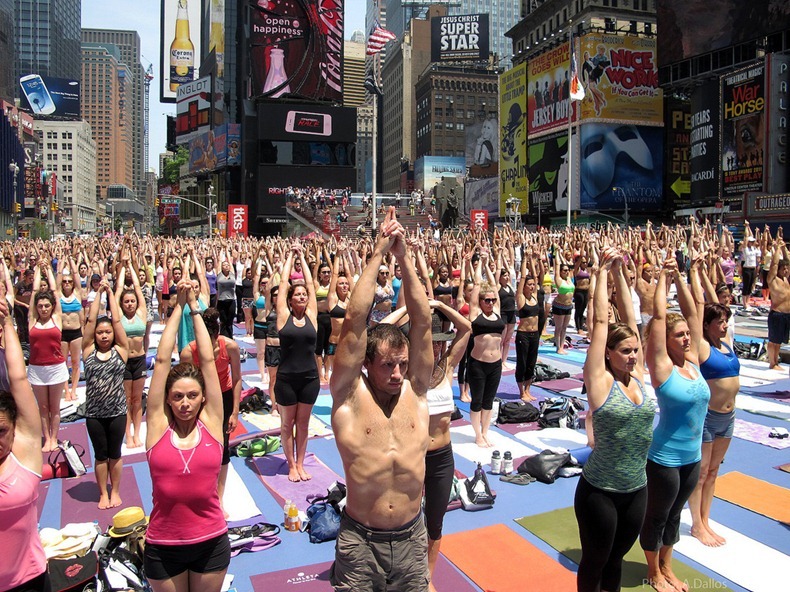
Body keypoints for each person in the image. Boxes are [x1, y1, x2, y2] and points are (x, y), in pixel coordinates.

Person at [329, 208, 433, 591]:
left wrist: (404, 255)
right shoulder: (348, 396)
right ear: (366, 365)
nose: (396, 374)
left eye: (402, 365)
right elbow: (354, 322)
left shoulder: (416, 390)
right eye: (387, 365)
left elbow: (422, 323)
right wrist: (377, 255)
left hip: (411, 537)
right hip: (361, 541)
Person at [575, 249, 655, 592]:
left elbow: (630, 314)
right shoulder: (601, 380)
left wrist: (623, 271)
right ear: (608, 352)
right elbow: (602, 324)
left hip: (636, 488)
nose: (633, 355)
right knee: (596, 559)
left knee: (617, 559)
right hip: (600, 493)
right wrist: (602, 273)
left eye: (636, 350)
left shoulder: (636, 374)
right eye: (625, 351)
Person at [144, 280, 229, 592]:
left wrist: (194, 307)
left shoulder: (211, 422)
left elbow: (207, 361)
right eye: (178, 396)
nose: (184, 403)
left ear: (203, 398)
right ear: (168, 399)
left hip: (211, 542)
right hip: (162, 546)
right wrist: (176, 307)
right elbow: (162, 362)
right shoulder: (157, 428)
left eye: (192, 396)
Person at [640, 257, 710, 592]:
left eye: (686, 334)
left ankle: (667, 566)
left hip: (692, 457)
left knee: (675, 517)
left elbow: (695, 311)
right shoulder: (662, 368)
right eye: (678, 335)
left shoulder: (694, 362)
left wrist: (681, 276)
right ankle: (653, 571)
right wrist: (663, 280)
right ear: (666, 341)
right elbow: (657, 318)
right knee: (657, 517)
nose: (685, 338)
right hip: (665, 458)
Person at [0, 298, 50, 592]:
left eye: (1, 431)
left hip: (28, 580)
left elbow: (18, 378)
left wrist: (6, 321)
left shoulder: (24, 452)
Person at [180, 308, 241, 518]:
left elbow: (237, 379)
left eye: (214, 338)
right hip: (200, 400)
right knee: (197, 445)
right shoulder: (188, 352)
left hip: (223, 398)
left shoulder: (230, 346)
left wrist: (235, 412)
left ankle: (219, 498)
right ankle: (197, 493)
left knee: (222, 448)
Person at [83, 279, 129, 509]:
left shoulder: (121, 351)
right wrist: (98, 293)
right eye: (100, 333)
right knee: (101, 455)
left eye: (107, 332)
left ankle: (116, 491)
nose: (103, 336)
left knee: (116, 453)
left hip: (117, 411)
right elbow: (91, 321)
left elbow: (118, 321)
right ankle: (103, 492)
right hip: (94, 413)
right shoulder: (88, 352)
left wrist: (111, 294)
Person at [276, 244, 320, 482]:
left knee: (303, 424)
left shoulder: (312, 315)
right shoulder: (285, 317)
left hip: (309, 378)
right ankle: (291, 465)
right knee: (287, 424)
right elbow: (283, 286)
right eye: (298, 295)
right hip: (286, 379)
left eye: (304, 294)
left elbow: (312, 286)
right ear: (291, 301)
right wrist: (289, 257)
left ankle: (301, 464)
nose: (302, 297)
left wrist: (303, 257)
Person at [28, 258, 68, 452]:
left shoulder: (57, 319)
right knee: (43, 408)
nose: (43, 308)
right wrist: (37, 270)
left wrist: (50, 272)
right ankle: (47, 439)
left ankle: (54, 437)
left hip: (56, 367)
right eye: (40, 306)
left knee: (55, 406)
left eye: (46, 306)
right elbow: (35, 293)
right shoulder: (32, 320)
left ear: (52, 307)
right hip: (37, 368)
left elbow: (54, 292)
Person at [116, 260, 148, 449]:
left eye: (132, 301)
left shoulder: (142, 313)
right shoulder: (119, 314)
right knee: (126, 400)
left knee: (137, 400)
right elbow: (120, 288)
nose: (129, 304)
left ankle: (137, 433)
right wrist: (123, 269)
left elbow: (136, 287)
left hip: (140, 360)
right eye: (126, 301)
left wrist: (132, 270)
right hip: (124, 361)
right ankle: (127, 435)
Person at [58, 256, 84, 402]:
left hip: (76, 332)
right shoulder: (58, 295)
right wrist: (61, 266)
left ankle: (73, 390)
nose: (67, 283)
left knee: (75, 362)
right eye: (64, 281)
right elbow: (57, 280)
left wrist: (70, 258)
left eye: (69, 281)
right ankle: (66, 390)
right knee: (62, 363)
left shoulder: (77, 295)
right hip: (62, 333)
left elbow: (76, 275)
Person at [766, 239, 790, 370]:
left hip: (787, 315)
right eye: (783, 268)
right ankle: (772, 362)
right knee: (773, 340)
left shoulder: (786, 280)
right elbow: (774, 265)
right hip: (777, 314)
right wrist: (777, 249)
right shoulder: (773, 280)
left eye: (787, 268)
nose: (786, 270)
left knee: (779, 341)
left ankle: (776, 362)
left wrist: (785, 249)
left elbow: (788, 262)